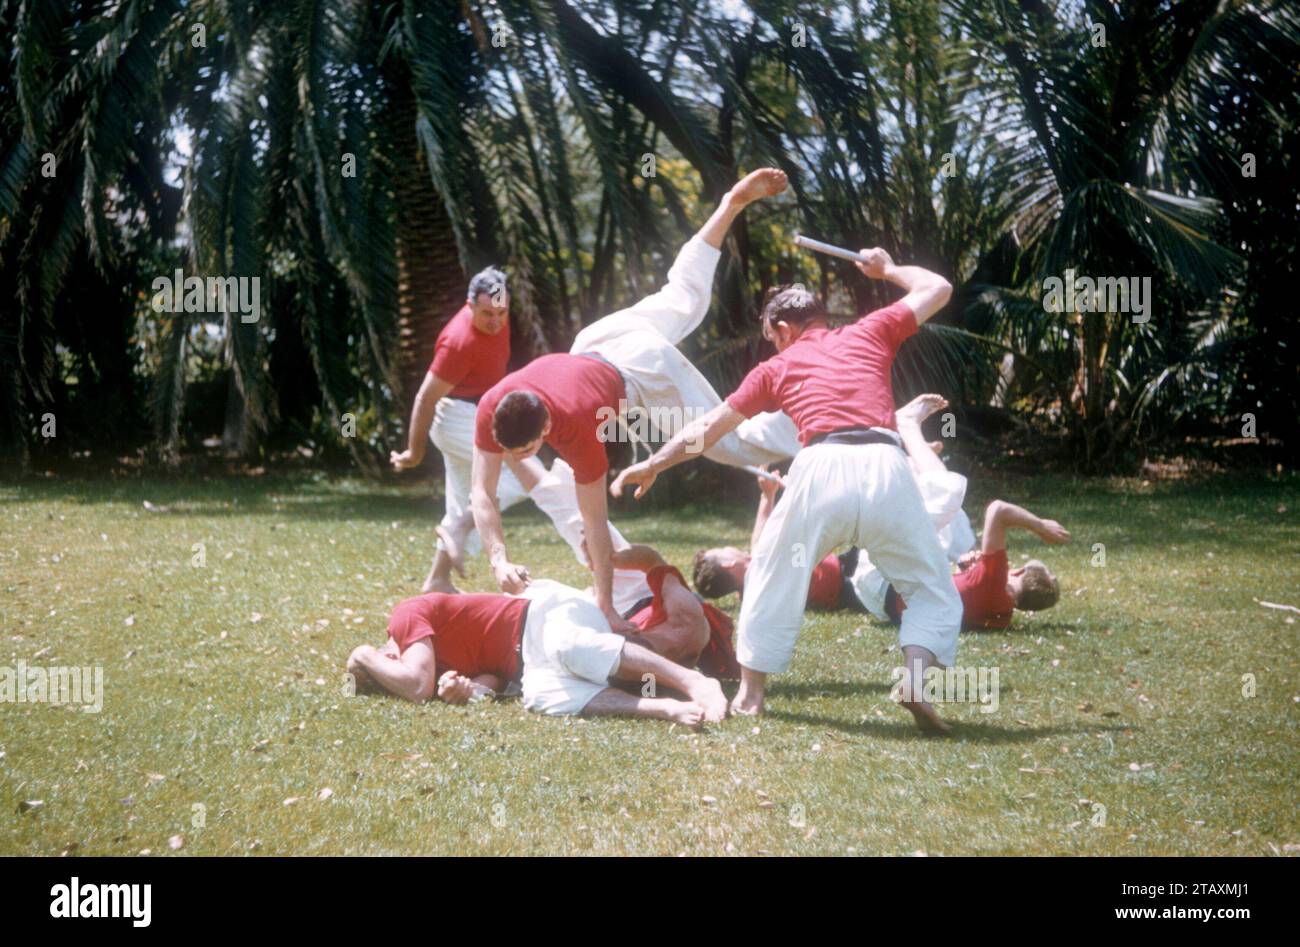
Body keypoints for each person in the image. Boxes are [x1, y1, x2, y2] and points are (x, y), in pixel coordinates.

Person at [613, 248, 963, 731]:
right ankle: (914, 679)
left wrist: (654, 463)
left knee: (771, 575)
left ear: (782, 329)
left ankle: (752, 696)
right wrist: (888, 270)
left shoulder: (776, 368)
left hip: (821, 466)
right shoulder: (870, 330)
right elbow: (938, 288)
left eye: (770, 338)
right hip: (888, 465)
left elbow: (709, 428)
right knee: (930, 588)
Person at [471, 169, 798, 636]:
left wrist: (605, 607)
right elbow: (481, 491)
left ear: (544, 429)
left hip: (643, 366)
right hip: (599, 339)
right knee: (682, 296)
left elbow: (597, 527)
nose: (516, 460)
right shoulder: (492, 406)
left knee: (731, 443)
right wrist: (497, 558)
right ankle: (729, 205)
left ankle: (814, 419)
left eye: (524, 453)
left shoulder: (579, 433)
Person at [345, 579, 728, 727]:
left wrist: (361, 655)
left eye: (386, 665)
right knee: (541, 697)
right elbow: (493, 679)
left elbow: (413, 686)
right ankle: (664, 708)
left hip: (542, 615)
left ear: (388, 655)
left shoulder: (406, 617)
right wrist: (466, 692)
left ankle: (693, 681)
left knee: (571, 647)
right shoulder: (432, 671)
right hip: (526, 662)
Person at [388, 268, 534, 593]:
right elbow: (425, 398)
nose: (496, 322)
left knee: (460, 504)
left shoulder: (496, 310)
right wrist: (414, 452)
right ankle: (459, 528)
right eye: (487, 314)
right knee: (526, 477)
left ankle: (437, 581)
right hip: (457, 417)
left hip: (479, 412)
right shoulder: (459, 342)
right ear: (469, 306)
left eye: (502, 313)